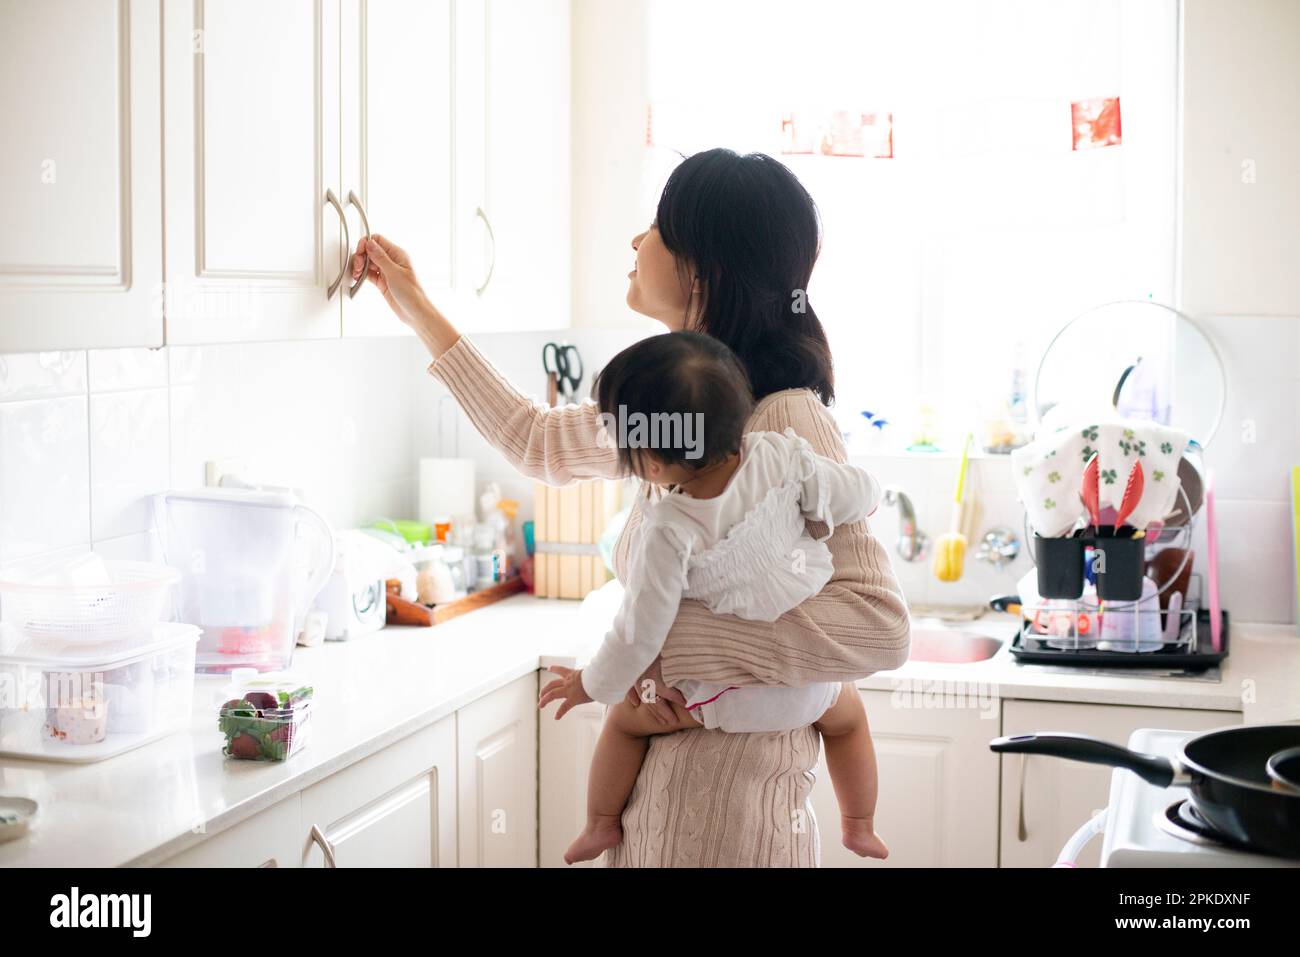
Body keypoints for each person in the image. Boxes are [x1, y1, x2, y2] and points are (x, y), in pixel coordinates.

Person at [352, 148, 910, 867]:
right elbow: (539, 440)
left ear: (703, 267)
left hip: (735, 837)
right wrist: (416, 307)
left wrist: (665, 646)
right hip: (665, 821)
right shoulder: (683, 404)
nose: (635, 242)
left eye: (656, 226)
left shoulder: (783, 421)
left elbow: (879, 625)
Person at [538, 330, 890, 864]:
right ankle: (859, 824)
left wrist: (590, 684)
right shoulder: (779, 453)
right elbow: (851, 491)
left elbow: (640, 632)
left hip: (726, 695)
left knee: (626, 723)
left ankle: (598, 824)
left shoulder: (671, 528)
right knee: (850, 720)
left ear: (652, 464)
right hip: (809, 688)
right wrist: (865, 501)